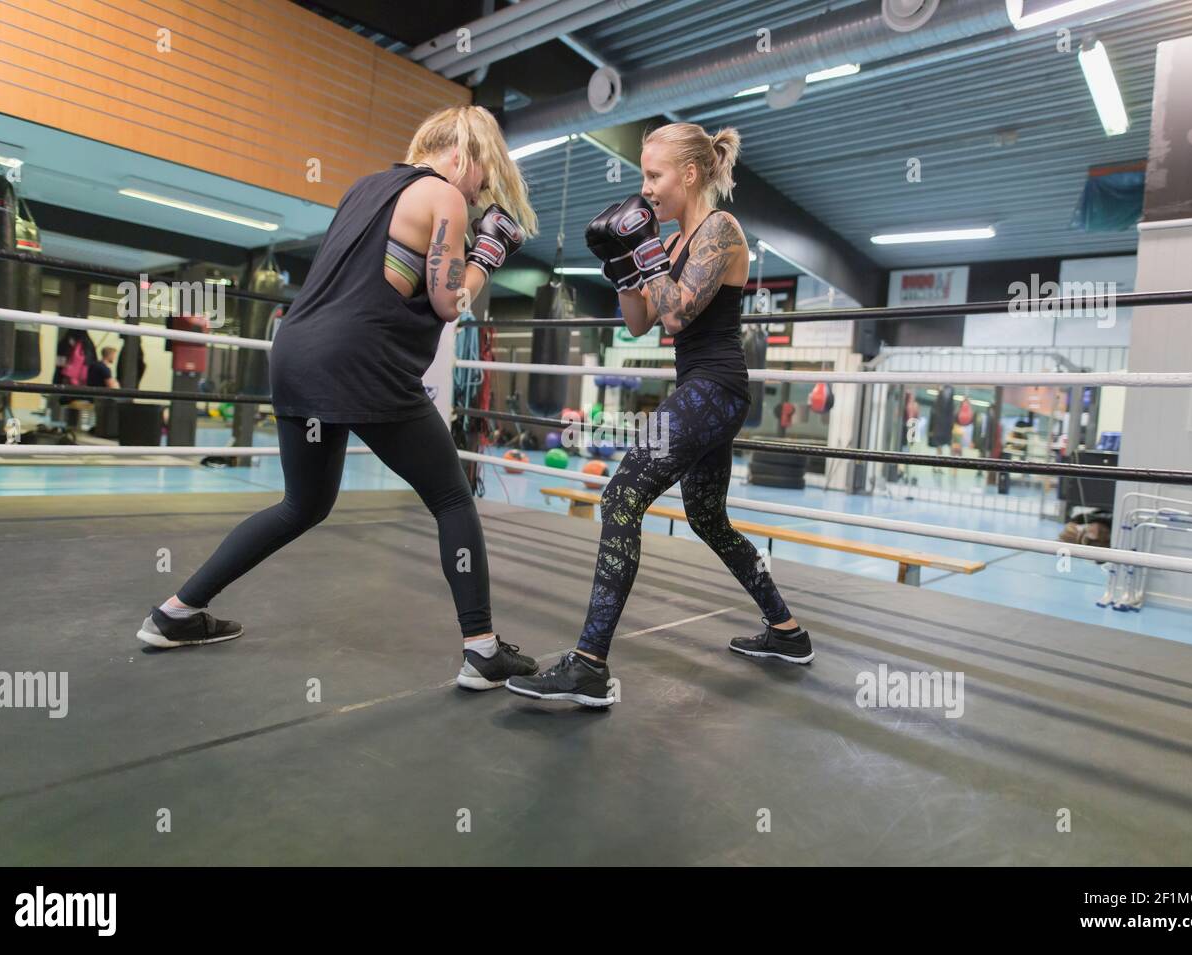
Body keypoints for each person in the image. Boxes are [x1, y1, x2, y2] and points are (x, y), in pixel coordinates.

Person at [138, 105, 541, 692]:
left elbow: (386, 278)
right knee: (453, 498)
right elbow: (448, 301)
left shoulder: (365, 188)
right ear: (464, 155)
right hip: (360, 361)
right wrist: (485, 258)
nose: (479, 194)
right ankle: (481, 650)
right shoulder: (445, 196)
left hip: (297, 352)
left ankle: (173, 613)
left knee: (303, 504)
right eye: (482, 176)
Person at [507, 122, 812, 708]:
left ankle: (590, 664)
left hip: (716, 389)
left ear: (690, 174)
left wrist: (642, 250)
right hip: (701, 390)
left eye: (654, 175)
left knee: (621, 495)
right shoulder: (671, 243)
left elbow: (675, 315)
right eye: (642, 177)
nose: (645, 189)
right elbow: (640, 322)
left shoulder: (720, 231)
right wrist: (622, 263)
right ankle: (787, 632)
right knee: (707, 519)